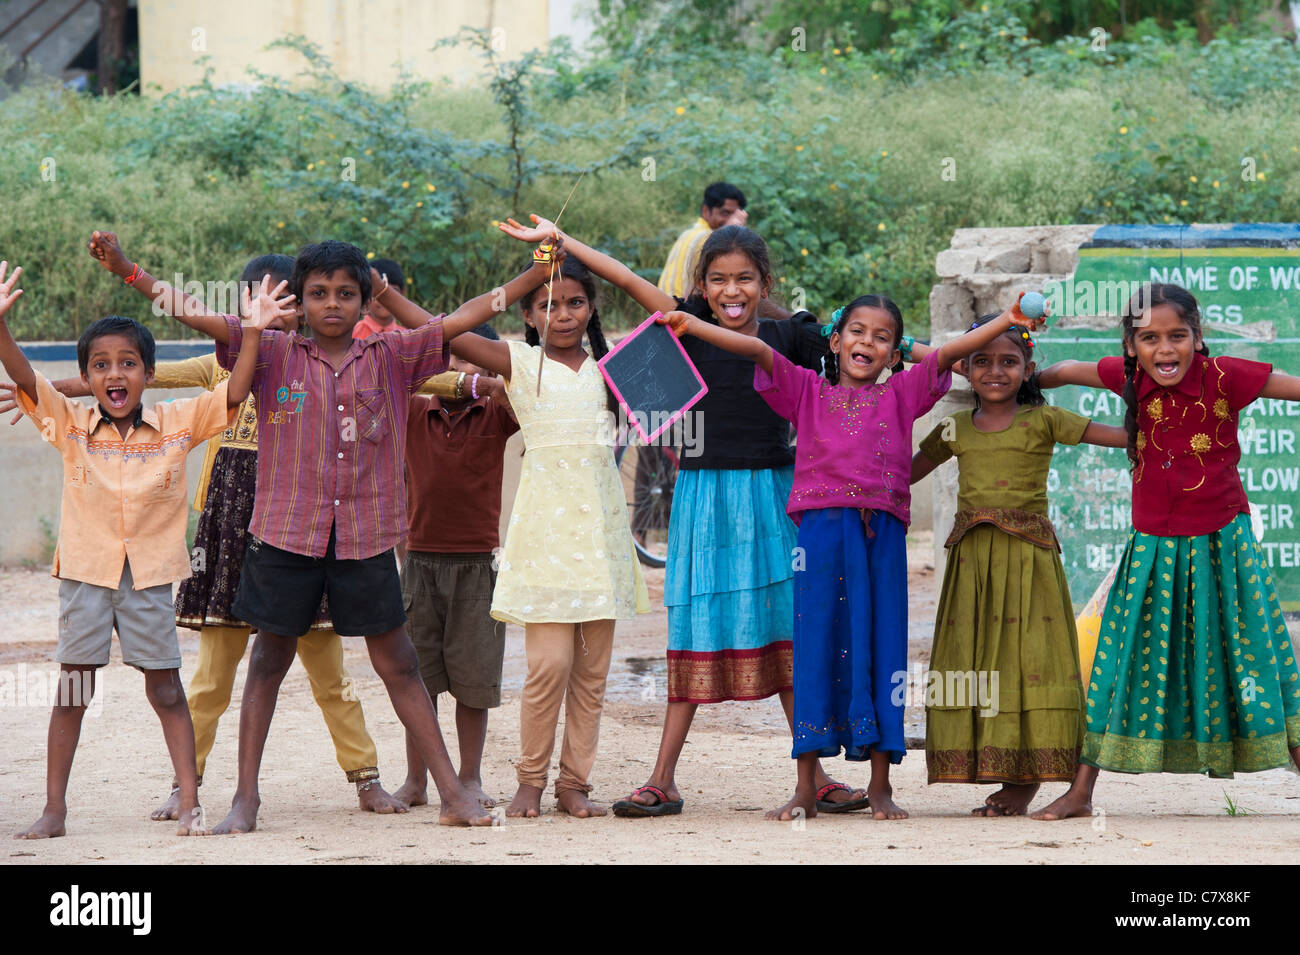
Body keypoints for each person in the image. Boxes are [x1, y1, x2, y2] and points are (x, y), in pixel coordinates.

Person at [154, 239, 553, 830]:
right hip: (287, 534)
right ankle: (246, 800)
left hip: (364, 536)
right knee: (267, 660)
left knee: (398, 662)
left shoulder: (392, 355)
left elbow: (467, 316)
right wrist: (130, 271)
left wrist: (534, 274)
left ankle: (453, 794)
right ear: (300, 300)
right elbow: (194, 313)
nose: (331, 304)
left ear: (366, 300)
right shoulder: (270, 355)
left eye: (345, 293)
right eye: (318, 294)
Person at [500, 216, 887, 817]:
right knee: (692, 632)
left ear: (765, 282)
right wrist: (563, 242)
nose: (732, 293)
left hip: (775, 498)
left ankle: (816, 777)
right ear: (700, 286)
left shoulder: (794, 338)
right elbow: (627, 280)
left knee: (790, 633)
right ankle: (663, 780)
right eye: (718, 281)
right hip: (702, 498)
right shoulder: (684, 324)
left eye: (746, 280)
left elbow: (864, 353)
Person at [657, 293, 1043, 820]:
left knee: (881, 651)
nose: (868, 343)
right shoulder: (806, 390)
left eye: (882, 338)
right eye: (857, 332)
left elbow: (951, 352)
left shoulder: (904, 394)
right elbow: (755, 350)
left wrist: (1008, 319)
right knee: (814, 650)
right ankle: (805, 787)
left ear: (892, 355)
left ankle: (880, 787)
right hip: (817, 539)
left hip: (879, 539)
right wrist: (695, 326)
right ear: (835, 342)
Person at [70, 234, 403, 818]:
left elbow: (421, 377)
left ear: (298, 305)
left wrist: (482, 384)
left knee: (330, 674)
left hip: (303, 536)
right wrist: (44, 391)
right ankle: (186, 784)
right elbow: (139, 380)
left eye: (279, 300)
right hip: (227, 540)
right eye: (254, 300)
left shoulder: (319, 367)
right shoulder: (221, 363)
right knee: (212, 677)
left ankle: (365, 777)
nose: (265, 311)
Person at [0, 260, 284, 838]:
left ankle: (189, 800)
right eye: (101, 365)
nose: (115, 373)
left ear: (148, 374)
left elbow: (234, 389)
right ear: (85, 376)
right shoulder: (71, 424)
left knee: (165, 688)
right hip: (85, 575)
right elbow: (28, 381)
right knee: (74, 687)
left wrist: (252, 333)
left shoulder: (178, 423)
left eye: (128, 363)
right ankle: (54, 809)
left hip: (149, 577)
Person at [394, 246, 651, 818]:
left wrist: (577, 252)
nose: (563, 314)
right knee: (548, 668)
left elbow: (672, 314)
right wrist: (383, 293)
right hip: (543, 544)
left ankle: (573, 784)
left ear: (592, 308)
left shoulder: (615, 371)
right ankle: (530, 780)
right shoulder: (515, 364)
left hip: (602, 546)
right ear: (529, 317)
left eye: (575, 302)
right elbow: (441, 331)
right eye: (548, 304)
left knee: (591, 675)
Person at [1031, 283, 1300, 820]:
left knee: (1256, 657)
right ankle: (1081, 793)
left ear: (1198, 338)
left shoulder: (1227, 376)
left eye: (1177, 335)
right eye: (1149, 338)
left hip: (1226, 547)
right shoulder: (1125, 377)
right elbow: (1061, 371)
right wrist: (1007, 377)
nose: (1165, 349)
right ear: (1131, 346)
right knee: (1117, 661)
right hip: (1151, 549)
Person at [910, 314, 1125, 816]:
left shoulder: (1045, 421)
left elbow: (1126, 436)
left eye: (1009, 362)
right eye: (981, 362)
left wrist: (1147, 398)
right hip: (973, 569)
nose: (995, 372)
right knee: (982, 666)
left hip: (1030, 565)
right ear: (964, 369)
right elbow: (900, 473)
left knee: (1033, 663)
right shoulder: (953, 427)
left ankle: (1033, 779)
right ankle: (1008, 772)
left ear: (1029, 368)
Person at [392, 323, 519, 811]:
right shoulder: (411, 408)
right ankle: (416, 779)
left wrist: (490, 382)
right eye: (451, 360)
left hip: (478, 566)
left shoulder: (498, 413)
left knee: (474, 682)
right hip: (420, 563)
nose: (462, 371)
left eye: (475, 363)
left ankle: (469, 776)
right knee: (417, 680)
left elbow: (522, 390)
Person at [657, 181, 748, 300]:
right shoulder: (708, 239)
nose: (731, 220)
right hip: (681, 312)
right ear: (706, 211)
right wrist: (735, 232)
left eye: (735, 215)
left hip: (664, 309)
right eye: (725, 213)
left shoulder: (688, 233)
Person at [352, 258, 405, 339]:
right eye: (378, 292)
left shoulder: (407, 336)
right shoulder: (351, 334)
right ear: (366, 294)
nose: (386, 299)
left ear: (402, 294)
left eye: (393, 292)